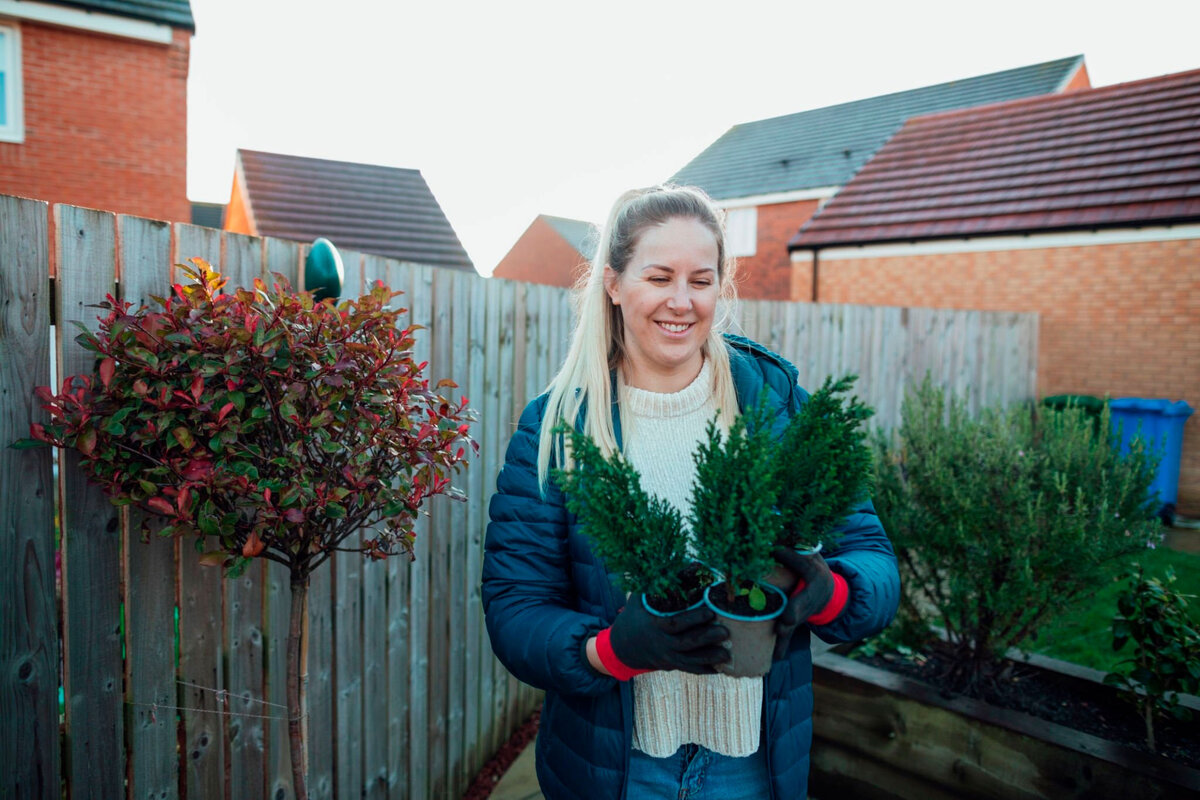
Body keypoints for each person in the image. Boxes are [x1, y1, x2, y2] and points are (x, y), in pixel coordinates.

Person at [481, 185, 899, 799]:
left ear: (720, 288)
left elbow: (874, 558)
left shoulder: (773, 405)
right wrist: (609, 652)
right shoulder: (559, 428)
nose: (681, 301)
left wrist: (832, 592)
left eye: (701, 281)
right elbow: (514, 607)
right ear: (614, 283)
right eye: (659, 276)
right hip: (621, 769)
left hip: (751, 767)